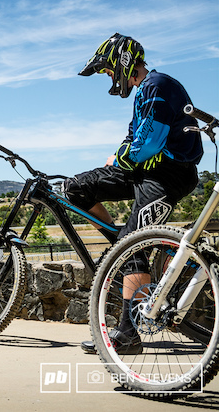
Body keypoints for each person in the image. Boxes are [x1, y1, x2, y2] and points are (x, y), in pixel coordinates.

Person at [69, 34, 203, 356]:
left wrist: (121, 158)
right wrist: (117, 159)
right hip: (142, 170)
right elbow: (134, 136)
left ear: (120, 62)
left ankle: (128, 334)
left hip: (168, 176)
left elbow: (150, 143)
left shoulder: (158, 86)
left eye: (106, 70)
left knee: (134, 247)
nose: (107, 77)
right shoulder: (144, 91)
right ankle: (122, 240)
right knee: (76, 188)